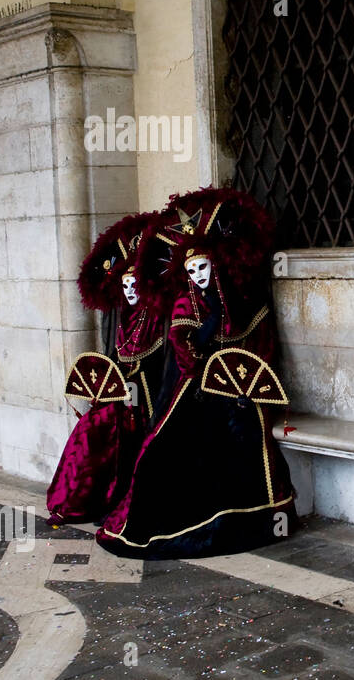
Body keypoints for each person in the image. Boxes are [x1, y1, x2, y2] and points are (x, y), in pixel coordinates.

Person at [96, 187, 297, 557]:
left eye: (203, 267)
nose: (199, 275)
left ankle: (256, 519)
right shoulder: (186, 302)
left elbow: (260, 342)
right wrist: (207, 353)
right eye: (191, 270)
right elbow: (183, 347)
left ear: (216, 263)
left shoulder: (238, 298)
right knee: (175, 448)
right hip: (193, 392)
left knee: (247, 439)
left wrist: (246, 381)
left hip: (238, 396)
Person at [47, 212, 167, 526]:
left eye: (134, 285)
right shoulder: (119, 318)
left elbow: (162, 364)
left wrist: (133, 395)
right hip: (124, 399)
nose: (129, 292)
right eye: (124, 286)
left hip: (150, 401)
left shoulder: (157, 317)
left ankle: (121, 496)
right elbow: (113, 359)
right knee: (91, 427)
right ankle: (81, 499)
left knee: (117, 429)